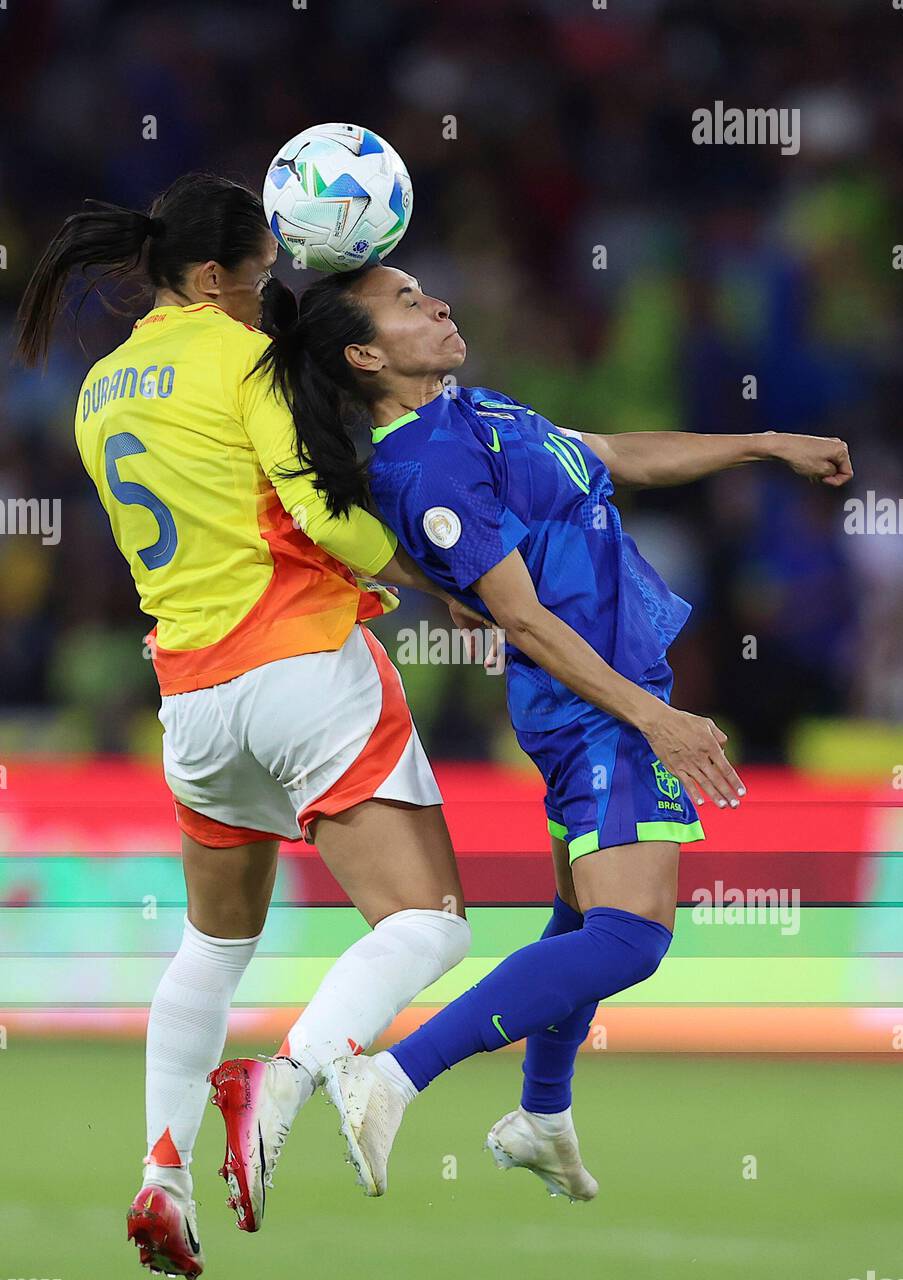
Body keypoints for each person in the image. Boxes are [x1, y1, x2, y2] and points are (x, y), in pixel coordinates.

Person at [259, 263, 853, 1199]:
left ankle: (542, 1115)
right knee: (630, 938)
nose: (440, 302)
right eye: (407, 303)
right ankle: (394, 1075)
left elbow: (614, 453)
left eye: (428, 292)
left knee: (580, 918)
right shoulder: (421, 465)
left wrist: (766, 443)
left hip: (607, 693)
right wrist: (655, 717)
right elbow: (523, 620)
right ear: (365, 353)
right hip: (593, 706)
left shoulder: (477, 412)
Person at [15, 180, 485, 1277]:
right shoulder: (246, 361)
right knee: (435, 923)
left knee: (213, 947)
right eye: (265, 274)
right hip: (302, 663)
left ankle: (161, 1176)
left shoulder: (95, 392)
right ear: (216, 276)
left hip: (192, 703)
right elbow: (316, 512)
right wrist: (437, 580)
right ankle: (285, 1074)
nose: (272, 291)